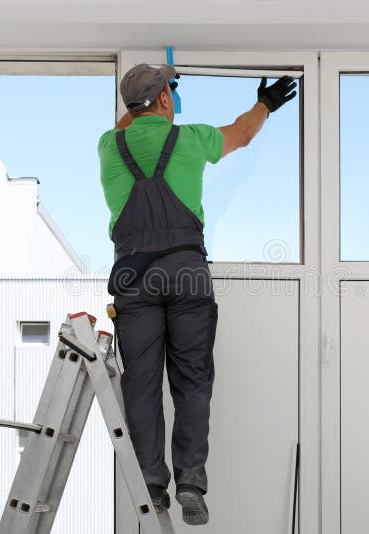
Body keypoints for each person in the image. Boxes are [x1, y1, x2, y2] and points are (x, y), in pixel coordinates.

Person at [97, 63, 297, 525]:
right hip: (186, 272)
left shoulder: (110, 146)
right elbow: (243, 134)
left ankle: (151, 481)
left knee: (141, 383)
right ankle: (189, 481)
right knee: (192, 381)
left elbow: (127, 122)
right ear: (166, 100)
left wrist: (149, 103)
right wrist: (264, 103)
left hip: (133, 278)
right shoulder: (192, 138)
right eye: (167, 91)